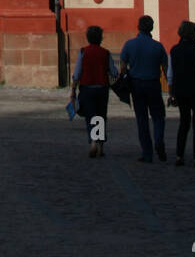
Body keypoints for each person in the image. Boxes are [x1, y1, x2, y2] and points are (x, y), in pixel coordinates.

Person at [120, 15, 168, 162]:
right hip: (153, 83)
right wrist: (171, 87)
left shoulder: (129, 45)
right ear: (151, 28)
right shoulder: (158, 46)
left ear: (138, 27)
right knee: (158, 116)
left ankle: (147, 153)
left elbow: (122, 68)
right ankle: (158, 139)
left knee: (142, 119)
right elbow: (166, 70)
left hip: (136, 85)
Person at [167, 20, 195, 169]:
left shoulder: (173, 50)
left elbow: (170, 75)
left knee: (184, 123)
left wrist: (171, 93)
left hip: (180, 91)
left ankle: (179, 156)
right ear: (192, 34)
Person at [69, 25, 118, 156]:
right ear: (100, 38)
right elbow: (114, 72)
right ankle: (101, 146)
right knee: (101, 116)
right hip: (102, 88)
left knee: (90, 116)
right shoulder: (106, 53)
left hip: (87, 88)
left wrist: (73, 89)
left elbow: (78, 72)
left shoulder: (83, 52)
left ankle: (93, 142)